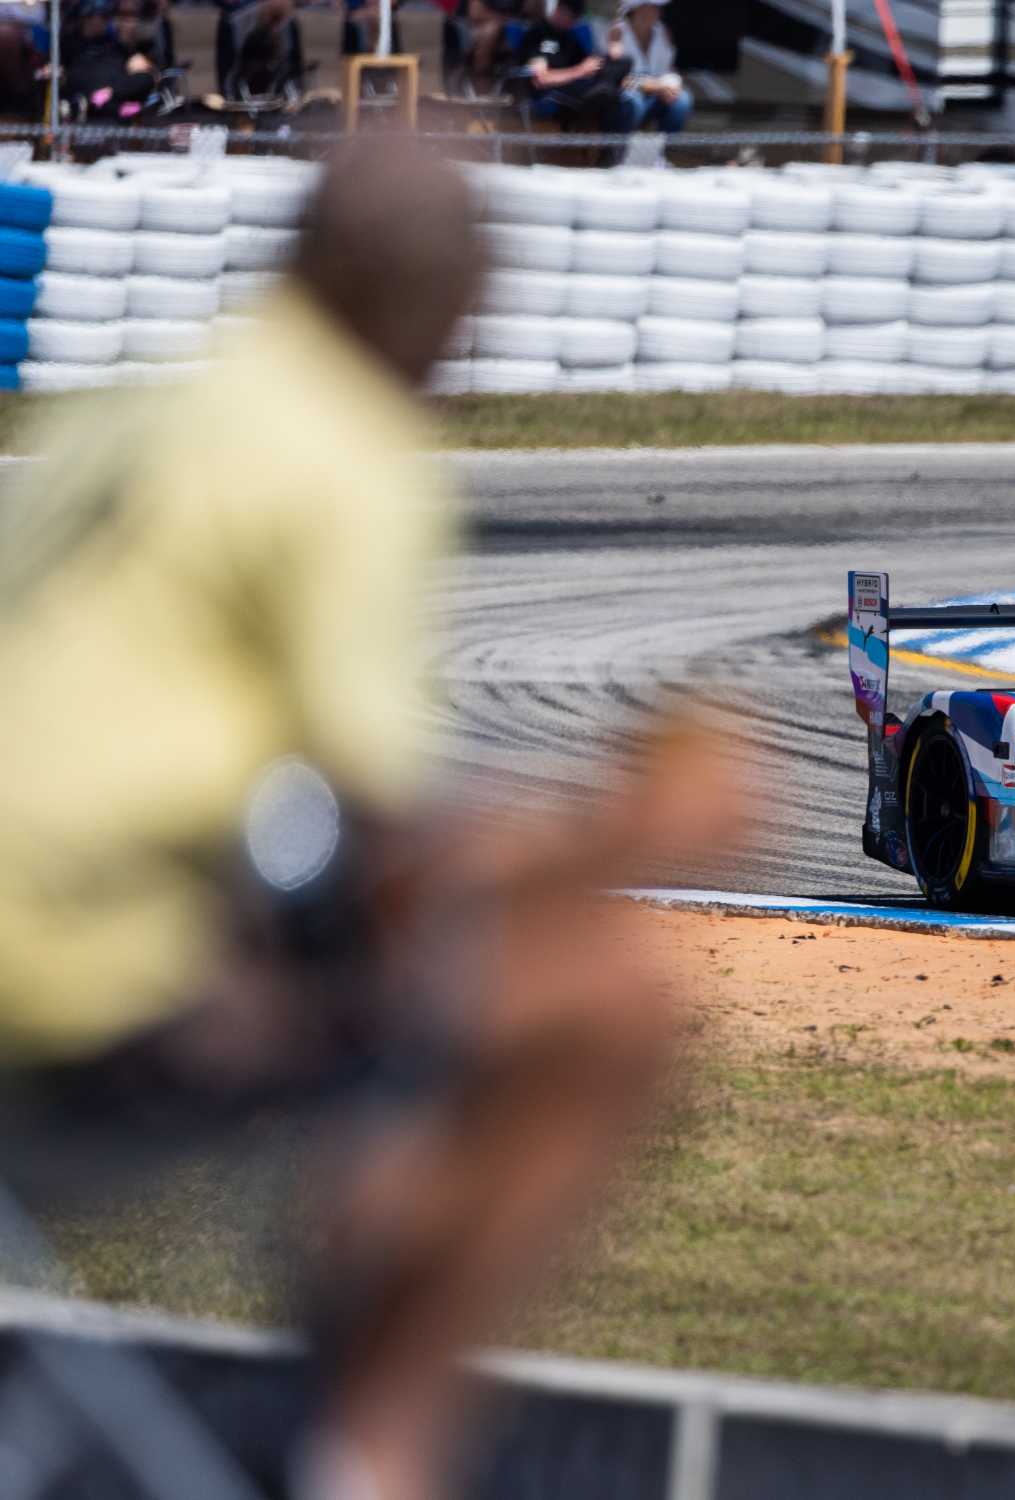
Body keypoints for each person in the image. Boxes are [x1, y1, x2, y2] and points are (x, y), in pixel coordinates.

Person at [0, 137, 739, 1500]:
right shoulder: (344, 452)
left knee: (387, 970)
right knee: (603, 995)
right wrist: (635, 829)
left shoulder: (133, 412)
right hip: (68, 997)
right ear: (450, 313)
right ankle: (369, 1460)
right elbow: (398, 857)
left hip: (65, 941)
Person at [517, 0, 615, 124]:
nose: (572, 22)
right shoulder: (537, 35)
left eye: (576, 18)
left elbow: (586, 64)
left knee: (619, 67)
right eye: (571, 16)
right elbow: (541, 79)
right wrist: (581, 70)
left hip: (578, 87)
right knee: (606, 101)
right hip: (551, 94)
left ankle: (607, 93)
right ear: (559, 9)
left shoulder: (569, 37)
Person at [607, 0, 688, 133]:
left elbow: (670, 69)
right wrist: (655, 87)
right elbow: (617, 78)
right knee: (633, 102)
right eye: (649, 6)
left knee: (682, 100)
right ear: (636, 8)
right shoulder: (617, 32)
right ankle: (617, 151)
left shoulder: (663, 32)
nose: (656, 11)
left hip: (658, 94)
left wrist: (672, 85)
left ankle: (665, 150)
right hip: (628, 95)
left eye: (656, 7)